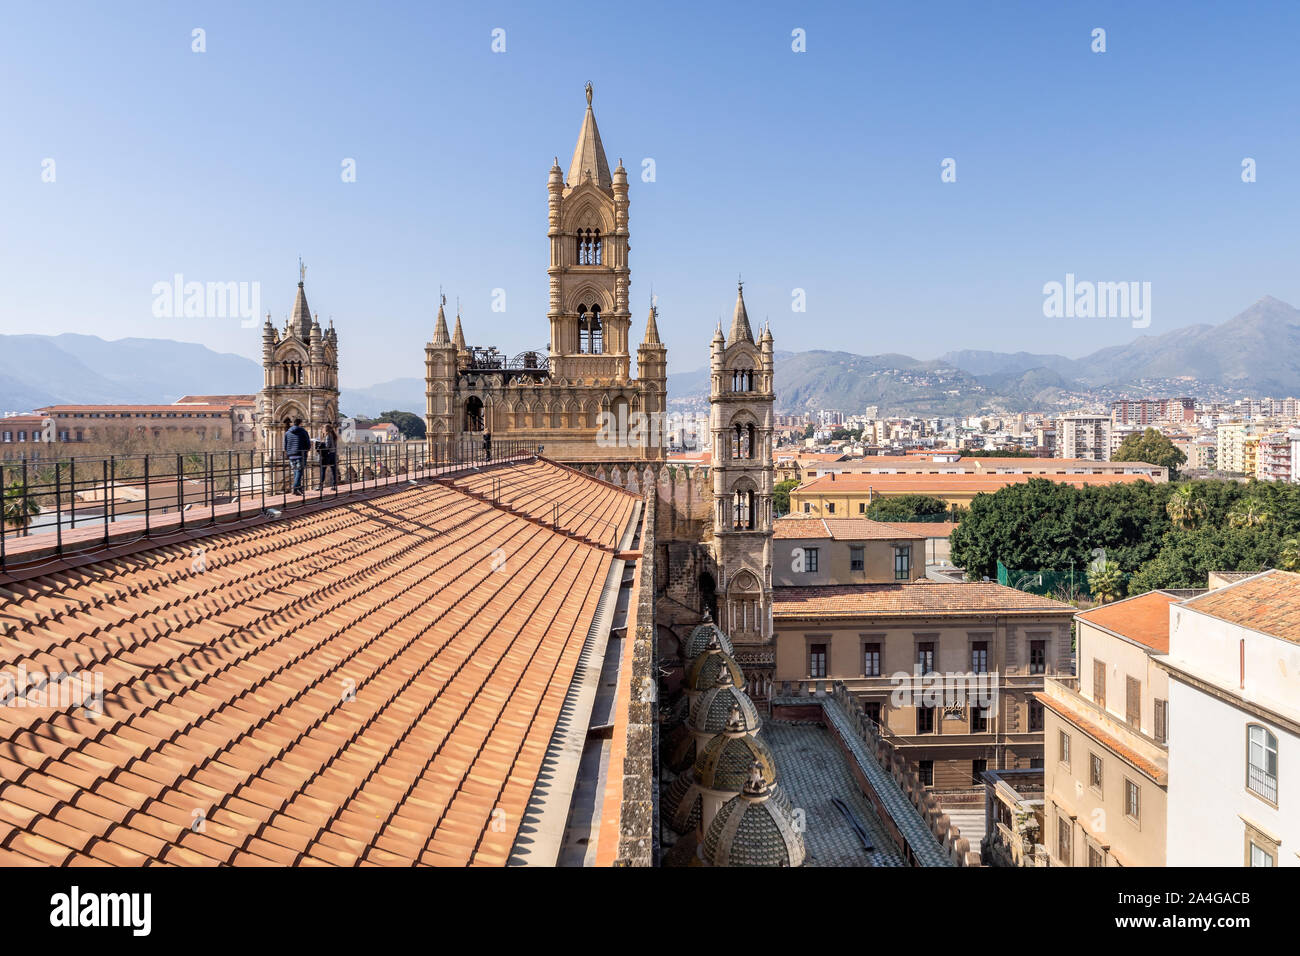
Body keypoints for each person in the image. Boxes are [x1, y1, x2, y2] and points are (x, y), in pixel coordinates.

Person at [284, 418, 311, 495]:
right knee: (299, 472)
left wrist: (289, 452)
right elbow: (308, 444)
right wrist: (306, 450)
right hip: (300, 454)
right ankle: (295, 488)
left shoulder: (287, 432)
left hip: (291, 455)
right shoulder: (303, 432)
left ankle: (298, 489)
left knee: (296, 471)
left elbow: (285, 445)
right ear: (300, 423)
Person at [319, 424, 339, 490]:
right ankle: (334, 486)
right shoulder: (333, 435)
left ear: (325, 429)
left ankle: (321, 486)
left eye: (323, 429)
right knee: (333, 470)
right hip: (333, 454)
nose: (322, 430)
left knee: (323, 470)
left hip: (328, 454)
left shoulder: (328, 435)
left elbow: (327, 446)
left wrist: (321, 443)